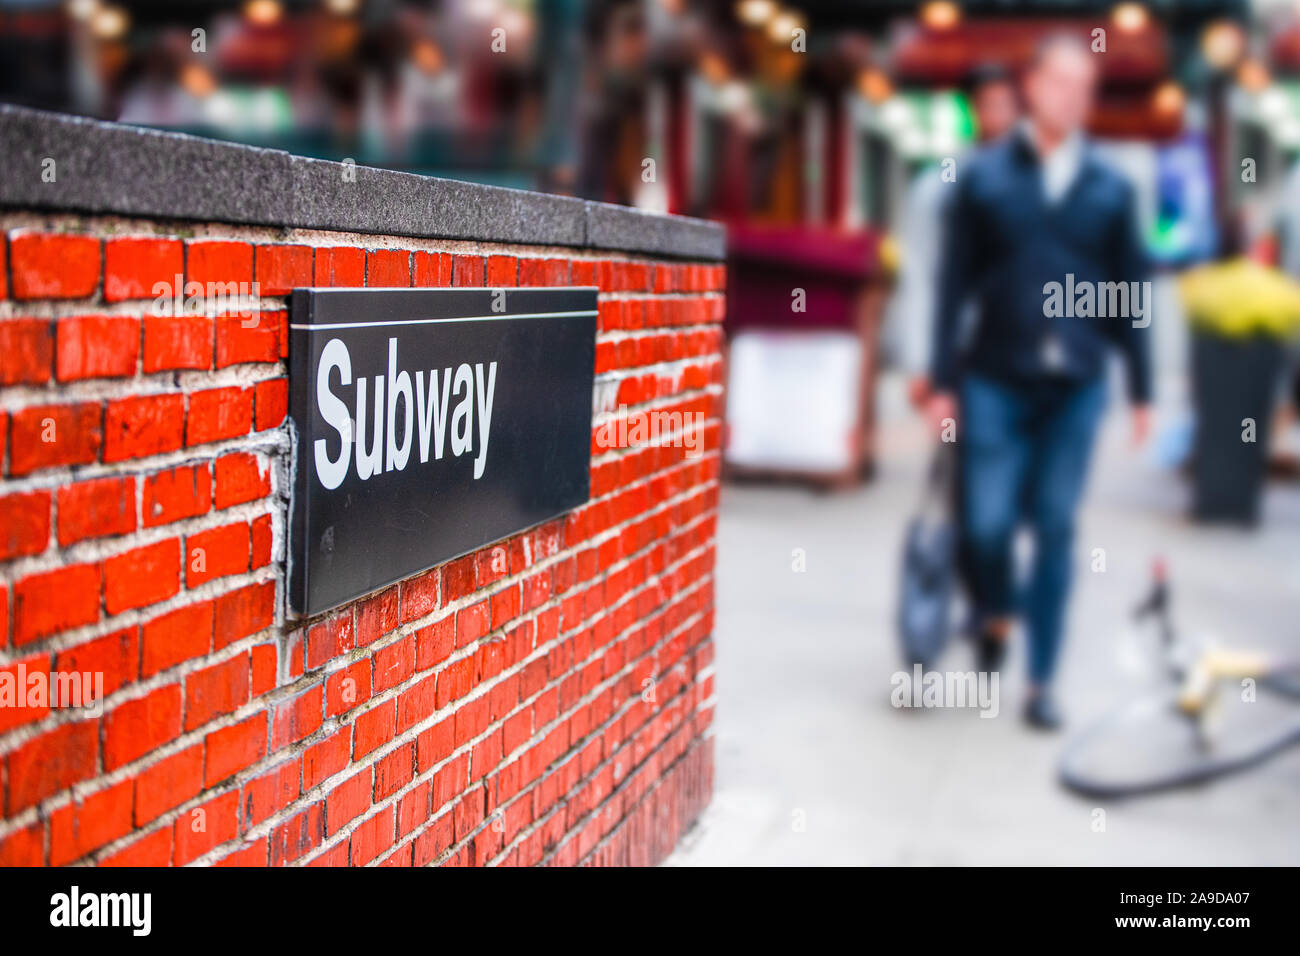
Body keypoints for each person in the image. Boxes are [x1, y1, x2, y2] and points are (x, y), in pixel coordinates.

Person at [923, 34, 1152, 729]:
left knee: (1055, 525)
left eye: (1085, 89)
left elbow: (1130, 290)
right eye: (1059, 84)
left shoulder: (1111, 188)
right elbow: (952, 284)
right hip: (994, 377)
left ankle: (1041, 682)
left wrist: (1142, 388)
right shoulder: (985, 178)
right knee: (987, 526)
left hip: (1077, 387)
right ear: (1032, 86)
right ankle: (997, 610)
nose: (1071, 99)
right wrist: (940, 380)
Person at [889, 63, 1020, 407]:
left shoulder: (1044, 185)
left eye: (1007, 104)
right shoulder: (942, 186)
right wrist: (919, 362)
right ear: (971, 110)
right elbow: (919, 273)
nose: (998, 115)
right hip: (965, 350)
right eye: (988, 103)